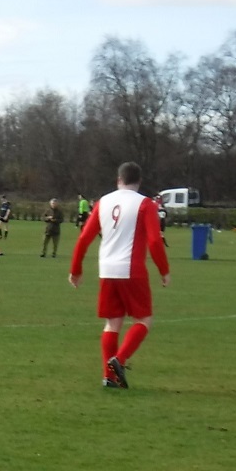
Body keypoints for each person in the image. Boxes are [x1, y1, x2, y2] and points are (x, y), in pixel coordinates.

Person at [69, 162, 170, 389]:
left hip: (107, 269)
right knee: (144, 320)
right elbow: (155, 241)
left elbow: (84, 237)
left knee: (112, 323)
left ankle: (109, 377)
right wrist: (164, 270)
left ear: (118, 180)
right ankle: (119, 360)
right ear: (139, 181)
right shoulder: (145, 204)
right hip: (132, 269)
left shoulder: (103, 202)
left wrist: (76, 269)